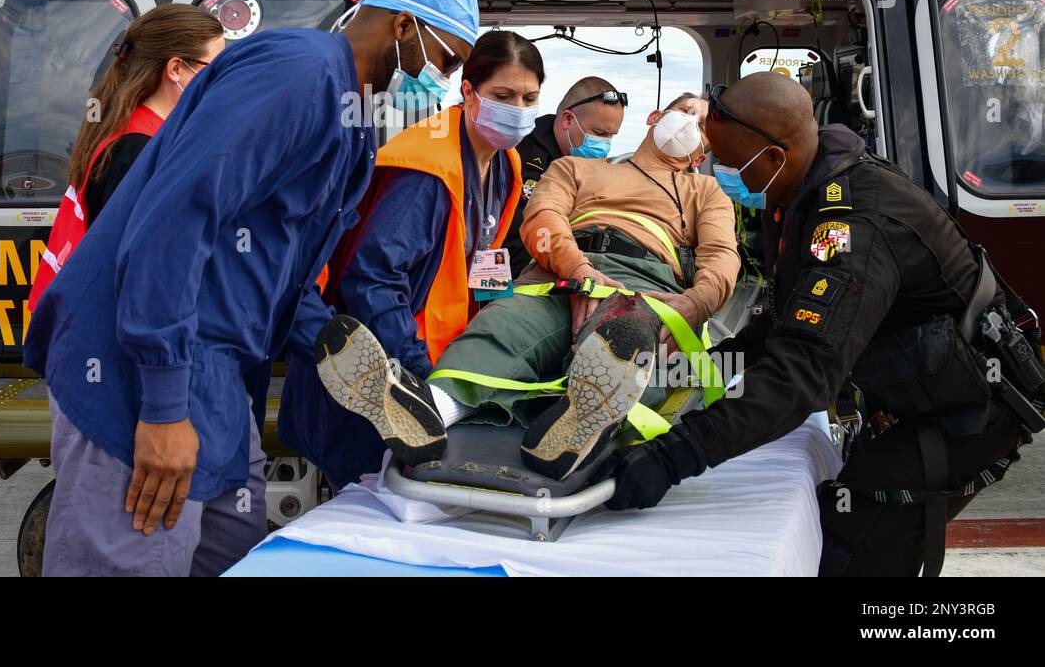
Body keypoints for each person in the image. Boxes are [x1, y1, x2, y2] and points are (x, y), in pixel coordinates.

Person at [22, 0, 478, 576]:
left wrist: (350, 359)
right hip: (138, 370)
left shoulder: (352, 121)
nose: (444, 84)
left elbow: (275, 271)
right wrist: (162, 408)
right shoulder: (301, 73)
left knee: (232, 553)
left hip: (221, 374)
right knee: (140, 557)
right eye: (447, 61)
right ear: (403, 27)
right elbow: (175, 222)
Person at [599, 72, 1042, 577]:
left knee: (856, 535)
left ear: (773, 156)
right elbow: (785, 325)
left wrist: (674, 457)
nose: (722, 174)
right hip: (921, 386)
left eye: (730, 164)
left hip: (973, 409)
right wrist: (700, 374)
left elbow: (803, 372)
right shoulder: (808, 187)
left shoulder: (854, 225)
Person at [314, 104, 740, 481]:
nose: (691, 123)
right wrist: (580, 272)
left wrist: (693, 304)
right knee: (503, 327)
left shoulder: (705, 192)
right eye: (687, 112)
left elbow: (722, 258)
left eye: (703, 124)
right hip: (559, 275)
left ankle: (585, 423)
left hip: (644, 285)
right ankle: (428, 412)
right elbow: (543, 217)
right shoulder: (575, 168)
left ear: (701, 154)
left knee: (625, 344)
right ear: (656, 116)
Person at [280, 31, 544, 487]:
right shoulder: (425, 172)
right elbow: (372, 278)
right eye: (503, 95)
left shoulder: (506, 165)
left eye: (529, 97)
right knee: (367, 499)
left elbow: (485, 262)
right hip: (380, 372)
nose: (518, 109)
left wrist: (489, 342)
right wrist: (415, 375)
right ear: (469, 91)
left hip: (442, 363)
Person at [27, 4, 224, 312]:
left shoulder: (138, 132)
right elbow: (139, 264)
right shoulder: (135, 149)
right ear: (176, 70)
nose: (220, 80)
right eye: (214, 68)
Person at [502, 77, 626, 271]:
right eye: (599, 133)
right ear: (568, 119)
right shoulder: (514, 150)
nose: (605, 144)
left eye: (611, 136)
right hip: (516, 268)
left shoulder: (604, 171)